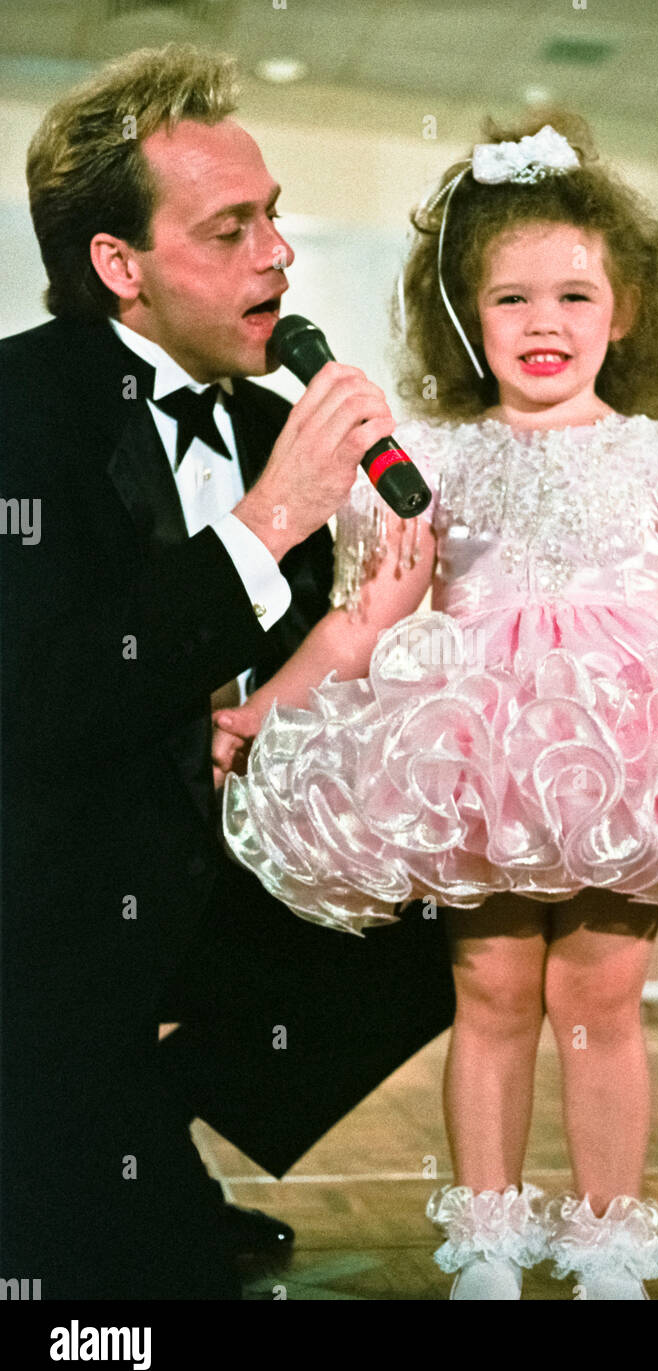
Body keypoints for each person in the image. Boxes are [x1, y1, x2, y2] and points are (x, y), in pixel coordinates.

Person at [213, 112, 658, 1301]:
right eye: (510, 299)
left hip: (626, 753)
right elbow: (366, 616)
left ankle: (608, 1246)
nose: (544, 323)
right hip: (479, 759)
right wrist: (269, 712)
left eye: (574, 296)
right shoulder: (432, 461)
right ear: (466, 315)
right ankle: (488, 1245)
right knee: (493, 991)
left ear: (625, 310)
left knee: (598, 999)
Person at [0, 44, 456, 1301]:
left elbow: (293, 670)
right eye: (232, 229)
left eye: (275, 218)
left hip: (221, 854)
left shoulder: (270, 422)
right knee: (142, 1283)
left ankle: (122, 1112)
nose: (279, 255)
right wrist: (266, 521)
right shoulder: (18, 411)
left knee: (451, 910)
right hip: (63, 882)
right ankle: (87, 1135)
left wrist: (376, 610)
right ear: (120, 265)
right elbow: (36, 698)